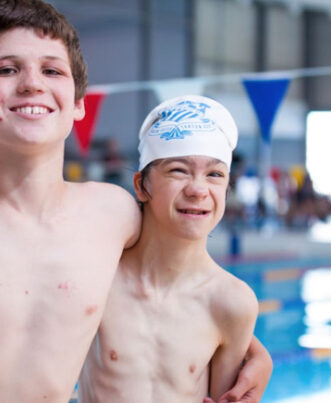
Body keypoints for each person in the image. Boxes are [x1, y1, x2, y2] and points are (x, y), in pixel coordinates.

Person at [0, 1, 269, 402]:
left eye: (52, 70)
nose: (32, 84)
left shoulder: (112, 214)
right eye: (7, 69)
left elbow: (181, 277)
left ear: (77, 103)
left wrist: (253, 350)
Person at [77, 96, 260, 402]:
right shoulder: (97, 279)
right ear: (141, 185)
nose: (198, 189)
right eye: (178, 170)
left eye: (215, 175)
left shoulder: (233, 302)